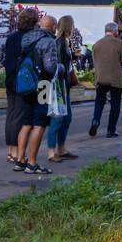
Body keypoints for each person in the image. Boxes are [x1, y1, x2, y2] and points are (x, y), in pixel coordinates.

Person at [13, 13, 62, 174]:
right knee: (39, 124)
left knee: (26, 123)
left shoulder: (27, 38)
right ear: (53, 27)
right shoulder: (48, 41)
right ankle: (32, 163)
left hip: (25, 84)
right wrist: (60, 67)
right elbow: (50, 67)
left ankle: (20, 160)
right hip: (42, 85)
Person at [0, 8, 36, 166]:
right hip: (23, 81)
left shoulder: (12, 37)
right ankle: (15, 152)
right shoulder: (30, 39)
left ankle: (10, 150)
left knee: (11, 114)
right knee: (20, 116)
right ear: (33, 22)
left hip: (10, 79)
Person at [46, 15, 78, 163]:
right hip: (58, 86)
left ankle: (61, 148)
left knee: (67, 118)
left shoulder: (65, 42)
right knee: (58, 119)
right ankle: (51, 152)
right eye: (72, 25)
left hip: (63, 86)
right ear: (68, 26)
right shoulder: (59, 43)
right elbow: (58, 66)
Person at [89, 22, 122, 138]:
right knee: (115, 104)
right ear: (115, 31)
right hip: (115, 78)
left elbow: (95, 61)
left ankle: (95, 120)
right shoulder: (120, 43)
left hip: (100, 77)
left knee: (99, 101)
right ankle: (111, 130)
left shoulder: (96, 44)